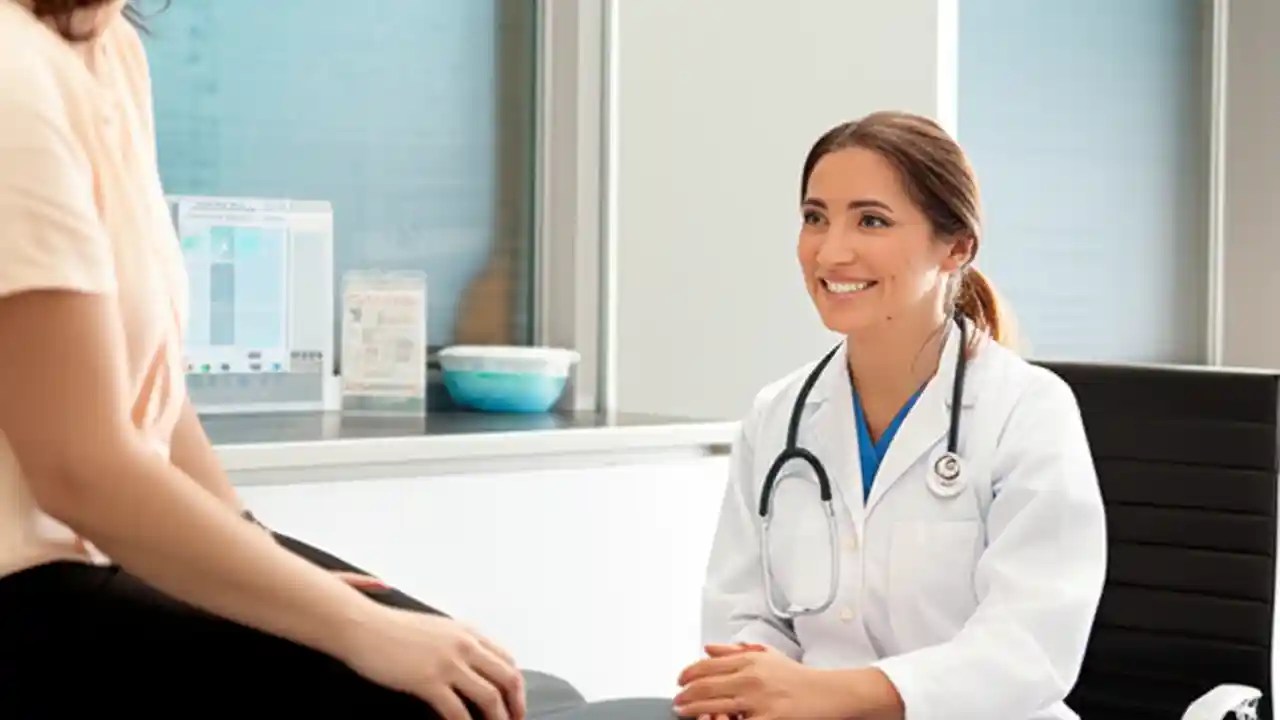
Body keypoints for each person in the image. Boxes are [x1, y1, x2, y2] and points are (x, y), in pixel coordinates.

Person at [0, 2, 679, 718]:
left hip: (109, 560)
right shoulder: (13, 74)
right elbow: (83, 471)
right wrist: (350, 625)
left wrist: (267, 553)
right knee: (429, 699)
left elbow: (155, 405)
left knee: (474, 676)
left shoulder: (107, 49)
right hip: (25, 593)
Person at [672, 112, 1108, 720]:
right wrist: (746, 692)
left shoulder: (1029, 410)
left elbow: (1030, 648)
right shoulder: (779, 416)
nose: (831, 250)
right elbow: (744, 618)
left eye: (871, 220)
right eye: (814, 217)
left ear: (956, 247)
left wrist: (827, 695)